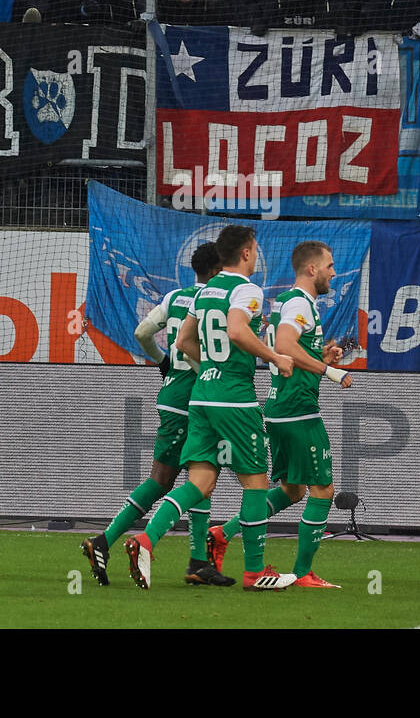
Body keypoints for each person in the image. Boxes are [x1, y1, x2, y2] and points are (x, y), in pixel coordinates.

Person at [124, 225, 296, 591]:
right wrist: (274, 357)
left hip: (201, 396)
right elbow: (235, 330)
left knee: (200, 482)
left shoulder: (205, 292)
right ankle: (254, 572)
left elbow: (184, 340)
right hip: (234, 398)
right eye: (256, 249)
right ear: (247, 253)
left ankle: (146, 539)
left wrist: (211, 369)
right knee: (255, 482)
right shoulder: (246, 289)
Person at [81, 243, 232, 587]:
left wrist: (163, 362)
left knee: (183, 480)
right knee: (186, 478)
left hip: (171, 396)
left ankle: (194, 561)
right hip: (196, 400)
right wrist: (208, 373)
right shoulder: (218, 300)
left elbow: (141, 334)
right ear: (218, 269)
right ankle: (183, 558)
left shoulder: (176, 297)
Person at [206, 241, 352, 588]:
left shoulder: (289, 301)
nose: (334, 271)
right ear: (312, 269)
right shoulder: (300, 302)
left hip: (280, 407)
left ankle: (222, 533)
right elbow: (285, 345)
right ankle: (303, 573)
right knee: (323, 491)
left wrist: (320, 357)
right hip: (297, 410)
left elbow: (290, 348)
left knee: (292, 490)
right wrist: (329, 372)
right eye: (330, 265)